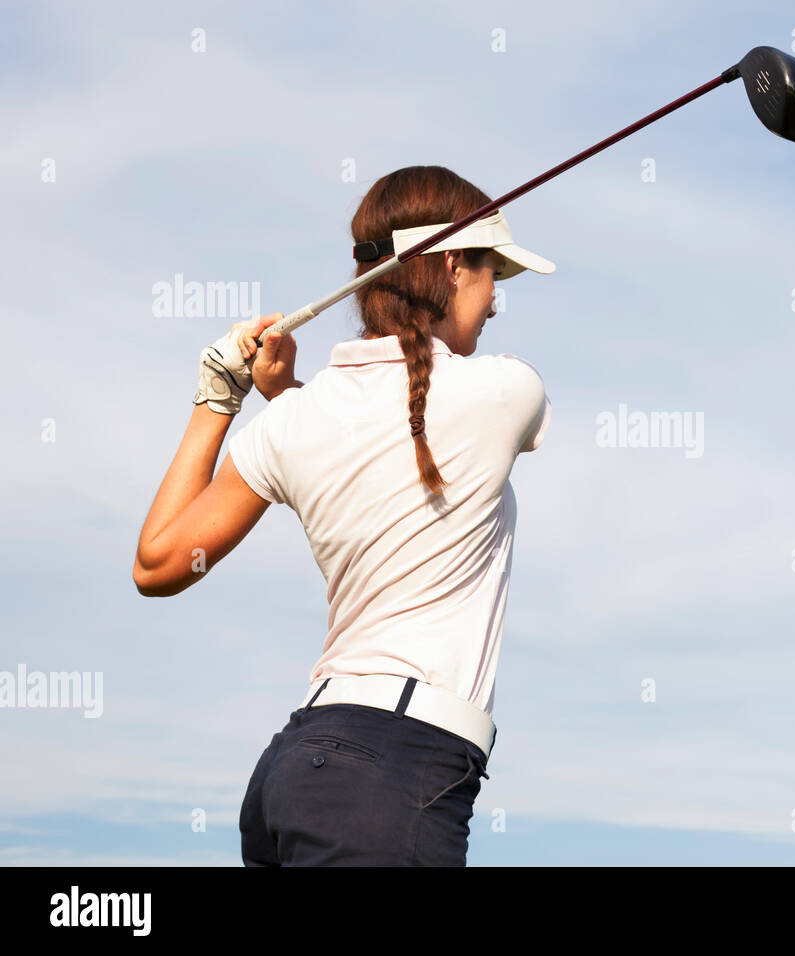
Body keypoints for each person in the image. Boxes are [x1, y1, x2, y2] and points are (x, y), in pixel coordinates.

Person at [132, 165, 554, 865]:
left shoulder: (296, 417)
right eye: (491, 282)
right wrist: (284, 397)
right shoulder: (508, 391)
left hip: (295, 773)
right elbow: (401, 431)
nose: (492, 306)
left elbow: (158, 563)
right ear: (451, 265)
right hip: (396, 776)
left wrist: (222, 395)